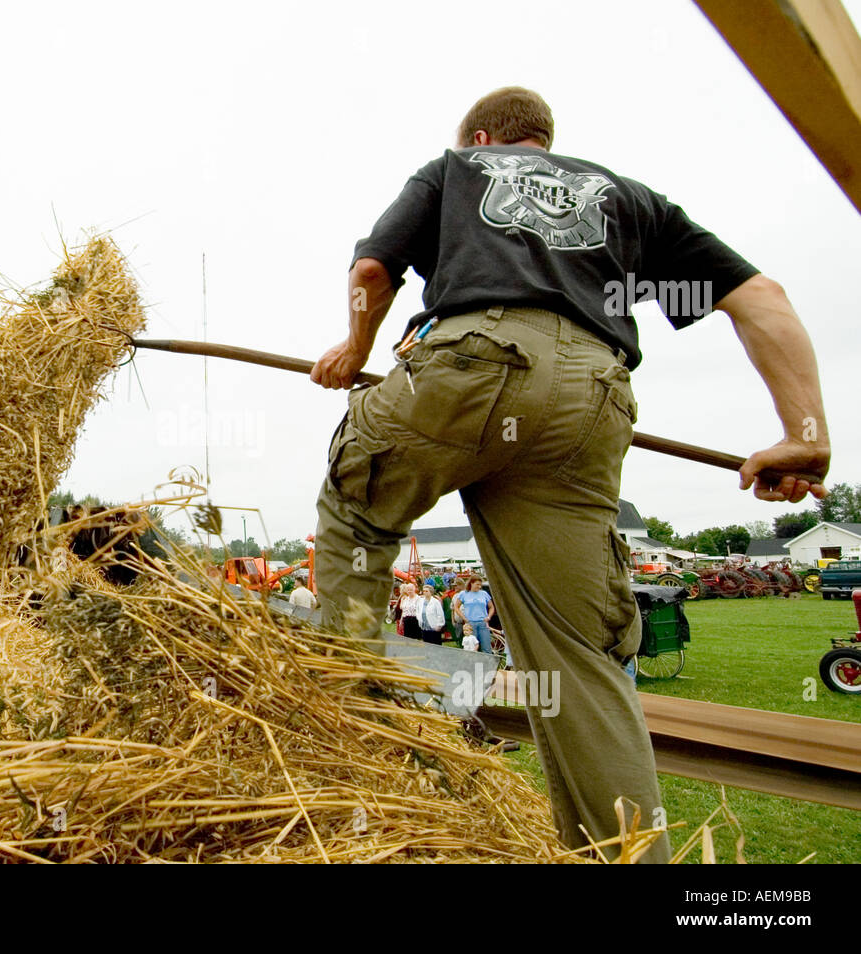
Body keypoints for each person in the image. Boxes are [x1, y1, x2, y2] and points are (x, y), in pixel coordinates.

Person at [309, 87, 829, 863]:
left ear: (482, 138)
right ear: (545, 142)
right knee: (579, 658)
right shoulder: (632, 200)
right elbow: (763, 298)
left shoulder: (454, 168)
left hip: (469, 364)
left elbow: (373, 270)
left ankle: (335, 730)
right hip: (590, 397)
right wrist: (805, 434)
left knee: (358, 506)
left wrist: (354, 349)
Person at [453, 578, 495, 654]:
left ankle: (486, 661)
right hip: (470, 624)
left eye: (480, 585)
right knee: (471, 648)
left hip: (483, 623)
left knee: (486, 648)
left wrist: (488, 617)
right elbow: (456, 607)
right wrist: (464, 618)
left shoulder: (484, 593)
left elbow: (491, 607)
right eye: (477, 584)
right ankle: (474, 662)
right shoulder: (463, 594)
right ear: (471, 583)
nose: (479, 587)